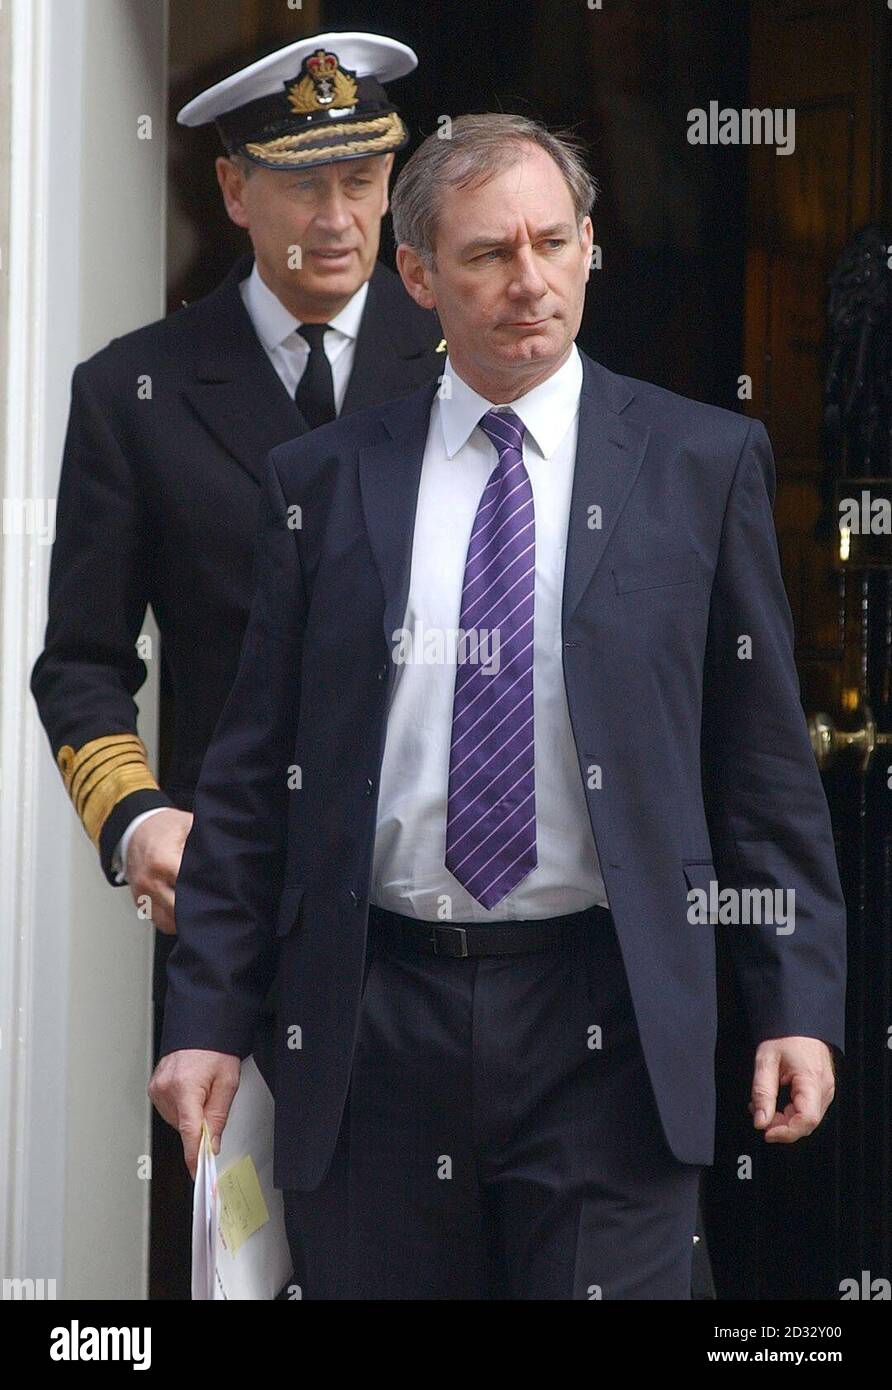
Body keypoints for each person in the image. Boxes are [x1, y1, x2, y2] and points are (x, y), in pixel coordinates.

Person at [150, 114, 846, 1300]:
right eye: (486, 254)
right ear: (415, 275)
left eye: (553, 242)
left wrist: (796, 999)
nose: (529, 281)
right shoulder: (322, 480)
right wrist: (206, 1012)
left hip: (606, 1021)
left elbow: (759, 760)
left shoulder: (699, 461)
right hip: (374, 1021)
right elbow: (255, 771)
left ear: (588, 250)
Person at [30, 30, 443, 1297]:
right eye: (302, 182)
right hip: (242, 913)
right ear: (230, 190)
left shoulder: (464, 377)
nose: (339, 217)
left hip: (441, 911)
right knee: (246, 1262)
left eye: (364, 179)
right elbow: (82, 663)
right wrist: (135, 818)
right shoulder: (134, 390)